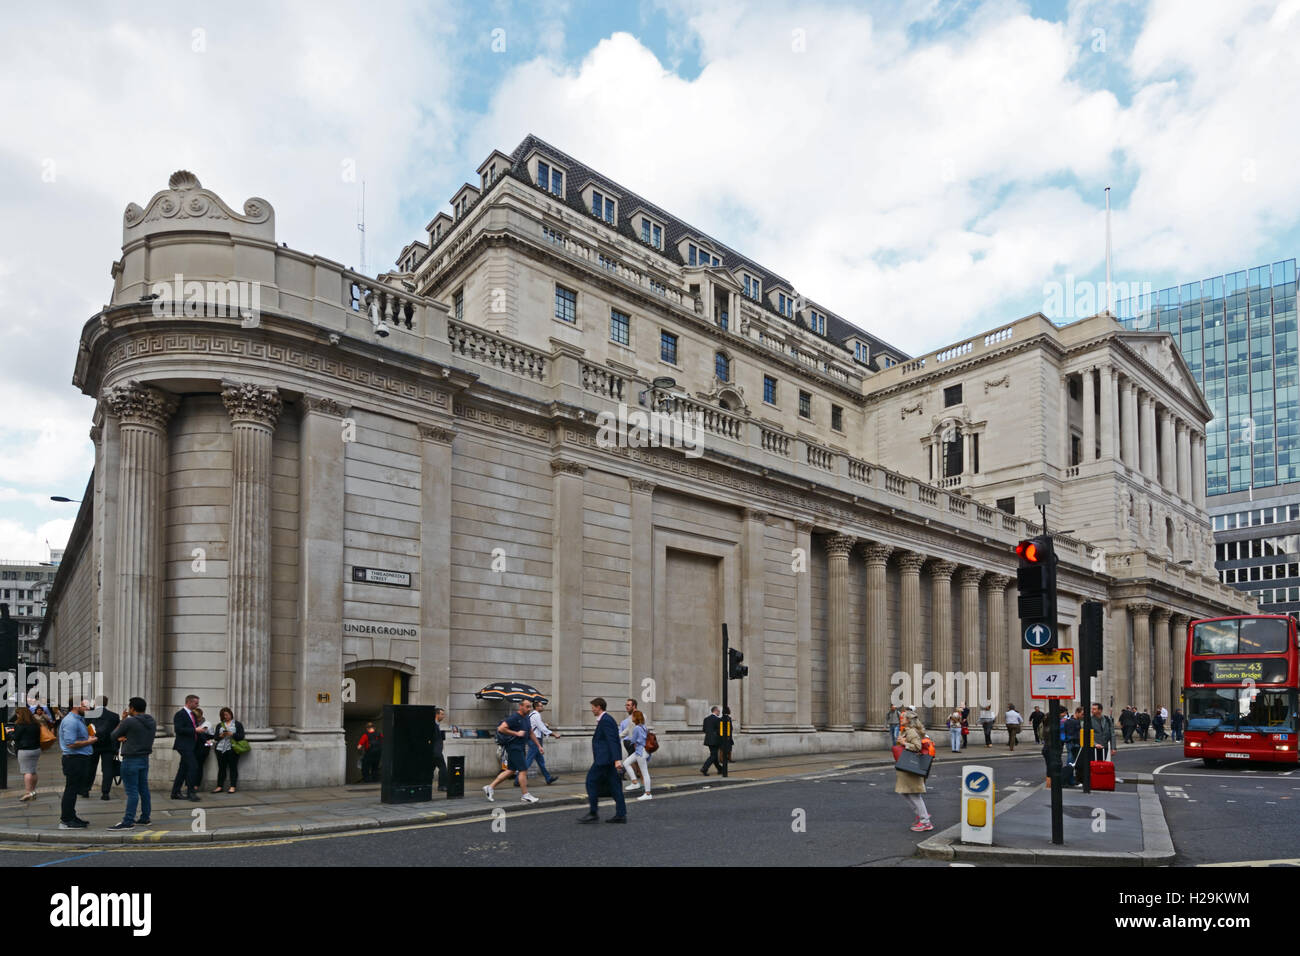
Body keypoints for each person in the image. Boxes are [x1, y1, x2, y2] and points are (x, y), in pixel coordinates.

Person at [109, 697, 156, 830]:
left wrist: (123, 719)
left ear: (132, 709)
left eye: (130, 707)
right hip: (144, 758)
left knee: (132, 791)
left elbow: (113, 735)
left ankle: (128, 820)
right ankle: (145, 817)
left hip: (130, 760)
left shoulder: (129, 722)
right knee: (144, 789)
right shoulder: (151, 721)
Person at [578, 697, 626, 823]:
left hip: (604, 760)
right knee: (615, 786)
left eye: (593, 707)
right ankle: (621, 814)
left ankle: (593, 812)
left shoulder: (606, 720)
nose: (592, 709)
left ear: (599, 707)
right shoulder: (605, 720)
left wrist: (617, 760)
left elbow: (613, 741)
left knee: (590, 782)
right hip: (607, 760)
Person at [484, 699, 539, 804]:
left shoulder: (526, 718)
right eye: (527, 706)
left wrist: (538, 745)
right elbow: (501, 728)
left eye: (530, 707)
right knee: (523, 770)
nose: (529, 709)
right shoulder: (514, 717)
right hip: (514, 747)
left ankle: (490, 787)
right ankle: (525, 795)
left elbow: (531, 732)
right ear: (520, 706)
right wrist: (516, 733)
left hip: (520, 747)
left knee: (511, 770)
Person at [58, 698, 96, 829]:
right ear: (76, 706)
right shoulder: (70, 721)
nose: (88, 708)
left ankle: (71, 816)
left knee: (73, 790)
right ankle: (66, 820)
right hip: (74, 759)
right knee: (71, 789)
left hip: (79, 758)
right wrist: (89, 742)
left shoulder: (78, 720)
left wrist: (88, 738)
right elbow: (71, 743)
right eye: (85, 706)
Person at [895, 708, 932, 832]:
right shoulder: (906, 731)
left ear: (908, 720)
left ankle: (925, 821)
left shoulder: (911, 732)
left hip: (911, 768)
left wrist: (904, 743)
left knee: (914, 794)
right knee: (904, 792)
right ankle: (922, 815)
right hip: (906, 768)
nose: (901, 718)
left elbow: (917, 747)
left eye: (903, 717)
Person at [88, 695, 119, 801]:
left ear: (95, 703)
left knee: (90, 768)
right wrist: (116, 748)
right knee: (107, 769)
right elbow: (117, 733)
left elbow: (85, 730)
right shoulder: (114, 716)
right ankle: (105, 793)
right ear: (106, 703)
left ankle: (85, 789)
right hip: (109, 746)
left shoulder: (89, 715)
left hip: (92, 745)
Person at [171, 694, 202, 801]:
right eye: (196, 703)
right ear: (189, 702)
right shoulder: (180, 714)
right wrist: (195, 730)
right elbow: (179, 729)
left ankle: (175, 792)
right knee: (193, 766)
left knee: (183, 769)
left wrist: (205, 737)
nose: (198, 705)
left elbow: (196, 728)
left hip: (191, 745)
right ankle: (191, 792)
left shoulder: (192, 714)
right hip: (183, 745)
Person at [524, 700, 559, 785]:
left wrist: (544, 725)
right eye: (540, 706)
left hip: (533, 739)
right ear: (536, 707)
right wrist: (553, 734)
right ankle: (518, 779)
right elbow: (542, 728)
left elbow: (539, 726)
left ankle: (548, 778)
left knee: (541, 761)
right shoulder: (536, 715)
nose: (542, 707)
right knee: (528, 761)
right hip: (535, 740)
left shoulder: (532, 714)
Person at [12, 706, 42, 802]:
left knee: (27, 772)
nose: (17, 716)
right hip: (36, 749)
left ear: (20, 714)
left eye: (17, 714)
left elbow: (16, 737)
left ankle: (28, 793)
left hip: (25, 750)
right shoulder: (36, 724)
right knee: (32, 770)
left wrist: (10, 732)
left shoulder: (20, 724)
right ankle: (33, 791)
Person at [212, 707, 245, 793]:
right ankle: (219, 786)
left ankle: (232, 786)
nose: (226, 716)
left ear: (231, 714)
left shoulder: (237, 724)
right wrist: (221, 736)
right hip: (220, 749)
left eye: (227, 714)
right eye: (224, 715)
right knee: (221, 768)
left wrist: (232, 734)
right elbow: (215, 738)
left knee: (233, 768)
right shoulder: (220, 725)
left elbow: (241, 736)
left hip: (232, 749)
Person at [623, 710, 653, 800]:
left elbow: (633, 740)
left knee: (645, 773)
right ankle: (635, 783)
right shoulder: (644, 727)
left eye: (633, 716)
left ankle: (648, 794)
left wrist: (630, 741)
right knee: (626, 763)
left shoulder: (636, 728)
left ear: (635, 718)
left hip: (641, 752)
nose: (631, 717)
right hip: (641, 751)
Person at [192, 707, 214, 790]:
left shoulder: (207, 723)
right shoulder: (193, 723)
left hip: (203, 747)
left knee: (198, 766)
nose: (196, 719)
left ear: (201, 716)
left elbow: (204, 732)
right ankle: (189, 784)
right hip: (194, 746)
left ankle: (196, 785)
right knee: (191, 766)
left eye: (197, 717)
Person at [700, 705, 725, 776]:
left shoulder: (706, 719)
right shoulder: (718, 720)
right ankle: (704, 768)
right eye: (719, 711)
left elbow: (704, 730)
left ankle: (720, 769)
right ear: (715, 711)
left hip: (708, 740)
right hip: (715, 740)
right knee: (713, 756)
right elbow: (720, 731)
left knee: (714, 755)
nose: (719, 713)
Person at [433, 707, 448, 791]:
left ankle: (427, 784)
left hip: (435, 752)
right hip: (436, 752)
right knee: (443, 768)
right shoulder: (434, 725)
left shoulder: (437, 725)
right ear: (436, 714)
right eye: (442, 714)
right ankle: (442, 785)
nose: (443, 716)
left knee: (431, 769)